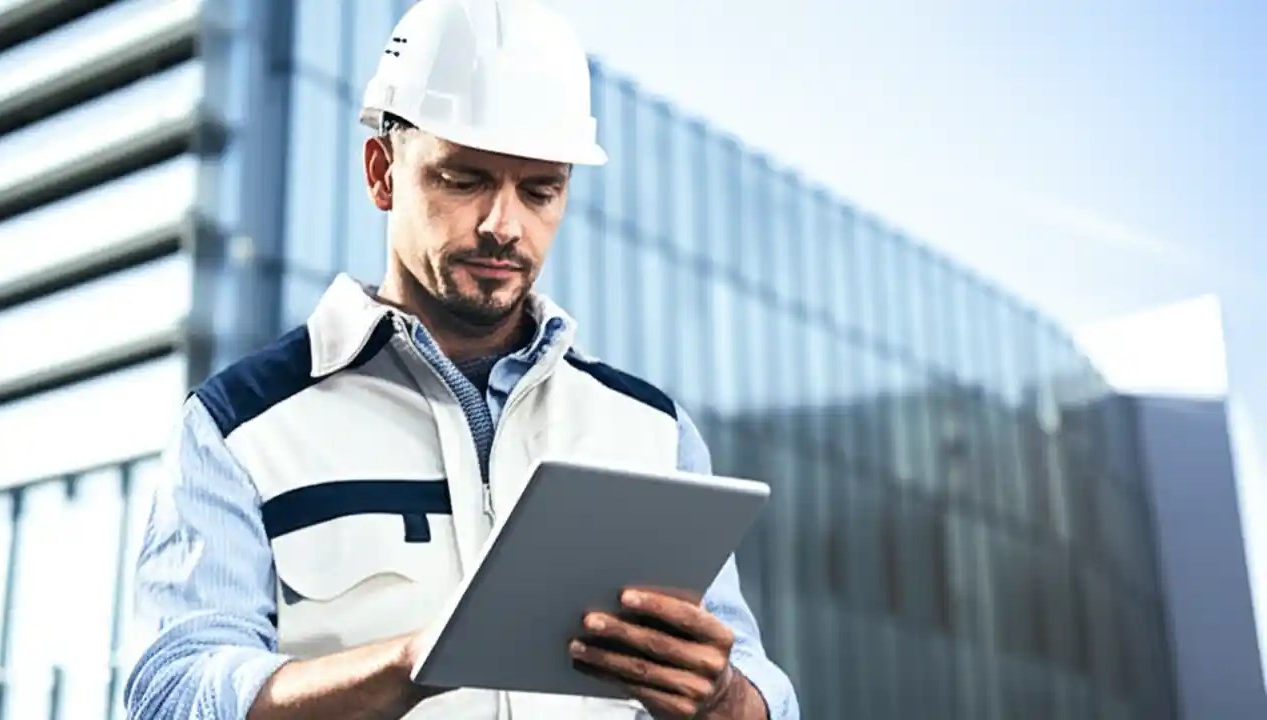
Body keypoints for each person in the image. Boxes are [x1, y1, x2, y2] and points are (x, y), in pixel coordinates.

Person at [123, 0, 800, 717]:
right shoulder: (239, 429)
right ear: (383, 172)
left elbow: (758, 687)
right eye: (464, 179)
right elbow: (173, 694)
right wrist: (412, 663)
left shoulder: (653, 432)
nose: (504, 225)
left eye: (539, 190)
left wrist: (724, 696)